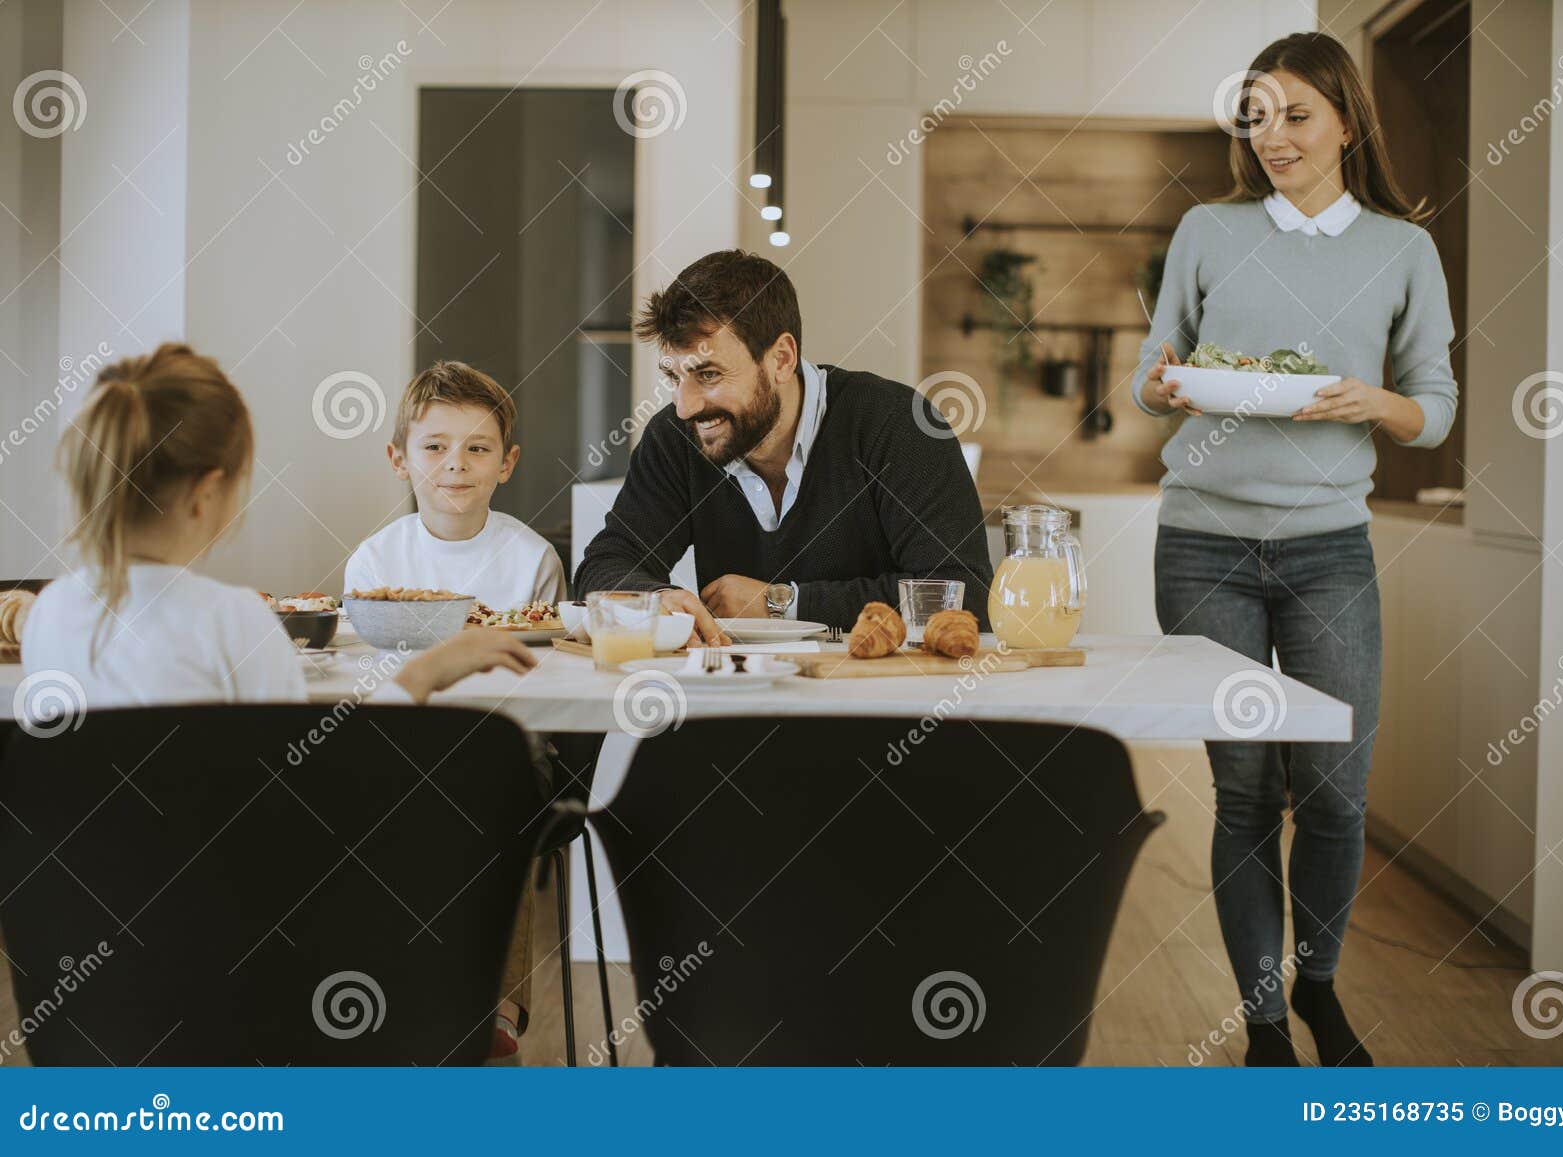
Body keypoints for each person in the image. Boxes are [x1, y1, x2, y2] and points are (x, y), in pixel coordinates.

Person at [22, 342, 542, 1060]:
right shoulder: (233, 618)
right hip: (244, 935)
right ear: (208, 492)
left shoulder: (51, 615)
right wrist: (427, 674)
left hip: (87, 945)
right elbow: (319, 764)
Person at [1135, 32, 1457, 1067]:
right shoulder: (1207, 230)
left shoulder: (1402, 249)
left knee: (1333, 789)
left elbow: (1436, 410)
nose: (1270, 135)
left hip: (1328, 550)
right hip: (1202, 541)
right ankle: (1264, 1021)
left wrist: (1375, 401)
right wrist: (1163, 383)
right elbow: (1155, 368)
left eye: (1294, 114)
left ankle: (1318, 984)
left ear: (1346, 123)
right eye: (1255, 115)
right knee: (1244, 794)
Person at [574, 249, 991, 639]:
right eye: (673, 377)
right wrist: (653, 599)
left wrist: (783, 603)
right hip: (732, 703)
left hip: (873, 701)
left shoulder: (898, 424)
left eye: (709, 375)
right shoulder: (675, 438)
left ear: (781, 359)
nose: (684, 406)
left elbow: (961, 590)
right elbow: (606, 565)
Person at [344, 361, 565, 610]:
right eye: (434, 447)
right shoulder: (373, 561)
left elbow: (549, 647)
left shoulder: (536, 561)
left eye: (477, 449)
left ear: (506, 464)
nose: (457, 464)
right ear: (399, 461)